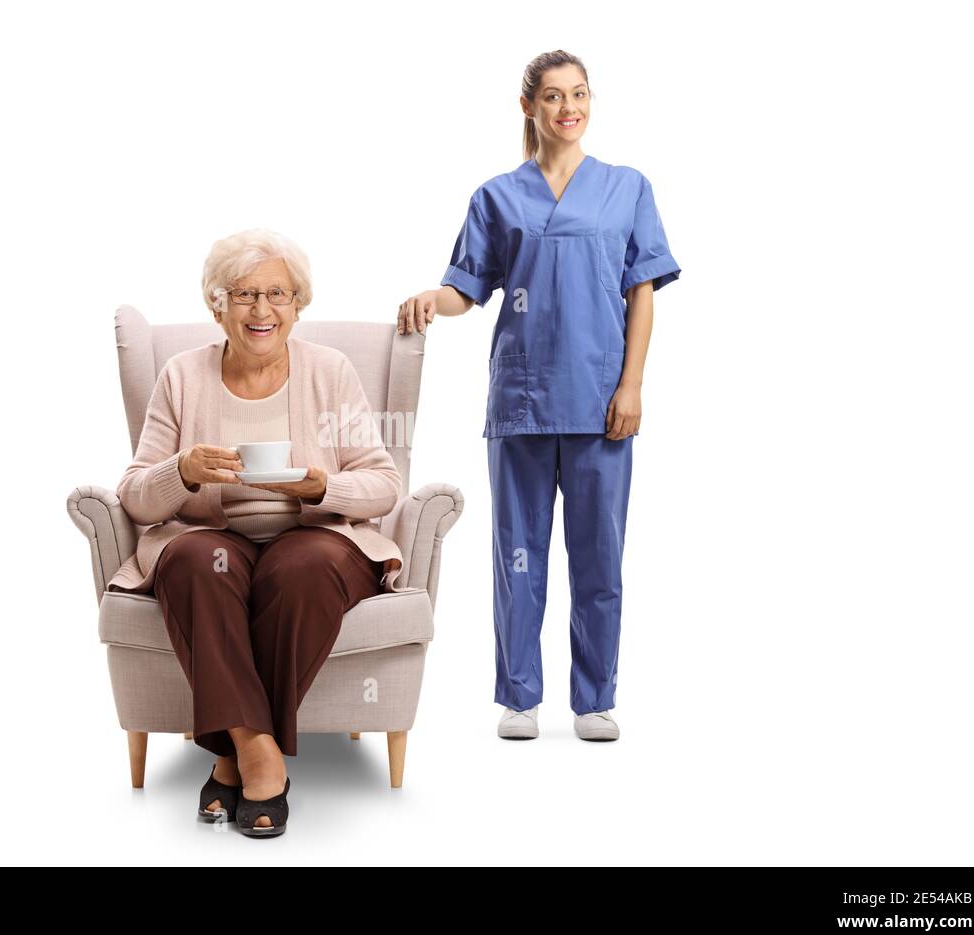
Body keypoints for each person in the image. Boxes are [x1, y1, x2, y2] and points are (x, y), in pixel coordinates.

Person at [395, 50, 681, 742]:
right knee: (516, 552)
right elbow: (468, 288)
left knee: (598, 555)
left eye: (578, 94)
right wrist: (430, 299)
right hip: (522, 400)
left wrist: (632, 384)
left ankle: (595, 699)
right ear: (530, 107)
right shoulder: (497, 197)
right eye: (552, 96)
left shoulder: (627, 188)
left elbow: (641, 292)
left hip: (600, 401)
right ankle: (519, 694)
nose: (568, 108)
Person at [109, 228, 404, 835]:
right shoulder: (180, 375)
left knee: (300, 566)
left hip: (318, 538)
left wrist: (322, 489)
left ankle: (228, 754)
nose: (262, 311)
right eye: (244, 294)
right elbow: (136, 495)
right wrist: (181, 472)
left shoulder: (331, 370)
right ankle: (258, 752)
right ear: (216, 305)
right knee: (194, 561)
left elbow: (383, 483)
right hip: (214, 541)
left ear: (299, 304)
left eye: (278, 294)